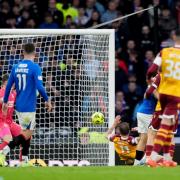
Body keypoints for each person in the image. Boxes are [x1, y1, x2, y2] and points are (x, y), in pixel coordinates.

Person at [2, 43, 52, 166]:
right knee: (27, 133)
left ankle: (24, 160)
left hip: (18, 105)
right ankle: (5, 150)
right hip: (28, 106)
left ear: (23, 53)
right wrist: (47, 100)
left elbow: (8, 86)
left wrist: (4, 102)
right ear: (35, 54)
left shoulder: (15, 67)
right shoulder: (35, 67)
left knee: (27, 133)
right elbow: (40, 87)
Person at [146, 29, 180, 167]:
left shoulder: (164, 52)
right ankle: (152, 158)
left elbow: (150, 71)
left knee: (169, 127)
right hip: (174, 95)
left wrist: (149, 80)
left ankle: (167, 159)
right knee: (167, 129)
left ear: (173, 37)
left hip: (163, 95)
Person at [133, 77, 158, 166]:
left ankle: (136, 163)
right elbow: (159, 98)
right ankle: (145, 160)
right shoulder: (154, 87)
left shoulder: (150, 86)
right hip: (147, 114)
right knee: (153, 136)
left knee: (143, 138)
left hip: (141, 112)